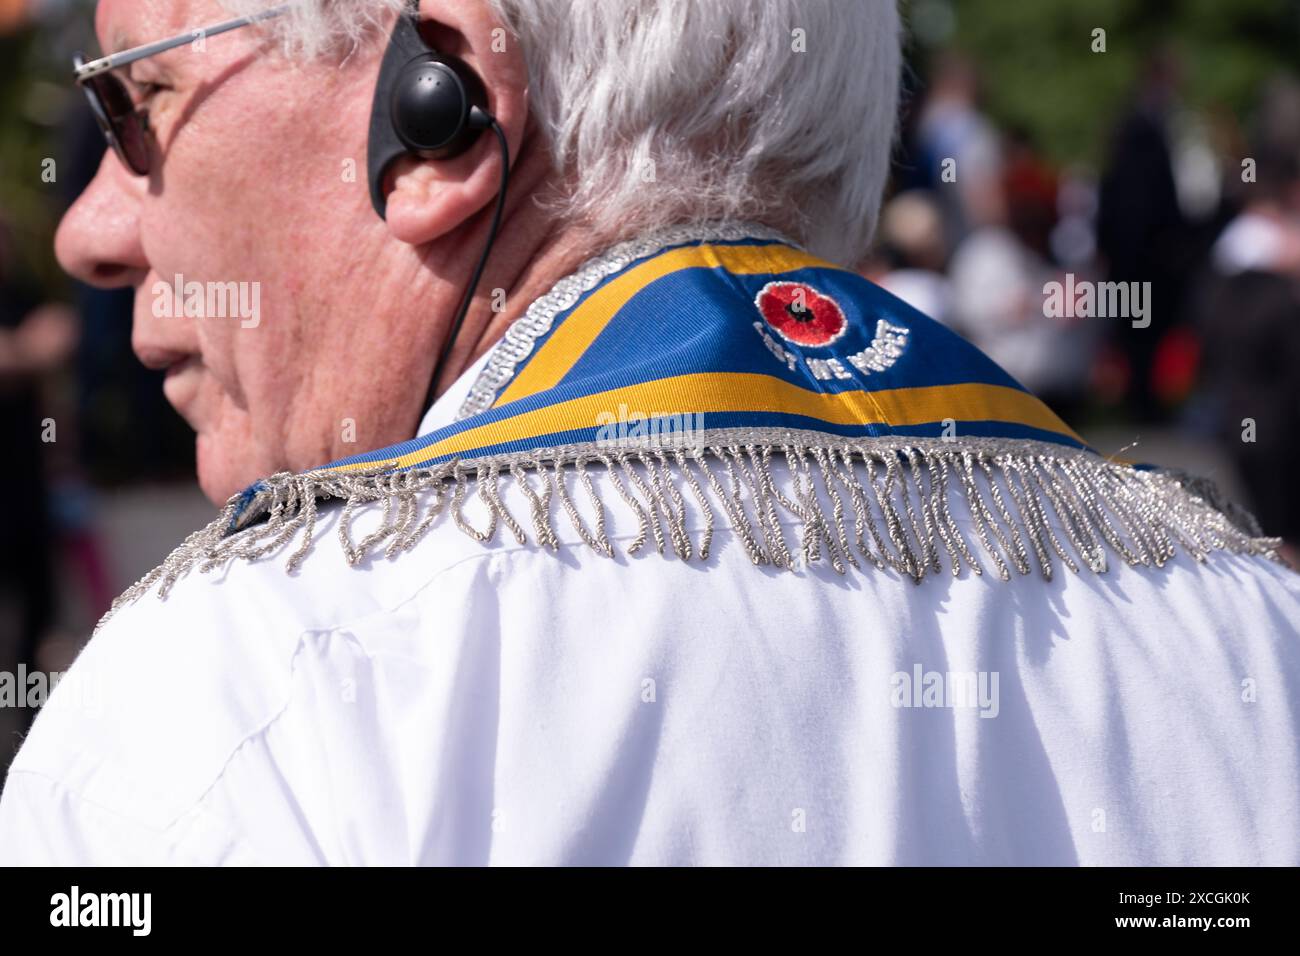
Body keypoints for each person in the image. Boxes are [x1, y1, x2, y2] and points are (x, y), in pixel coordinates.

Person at [0, 0, 1296, 866]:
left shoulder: (252, 686)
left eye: (137, 105)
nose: (92, 230)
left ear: (436, 109)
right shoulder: (1258, 634)